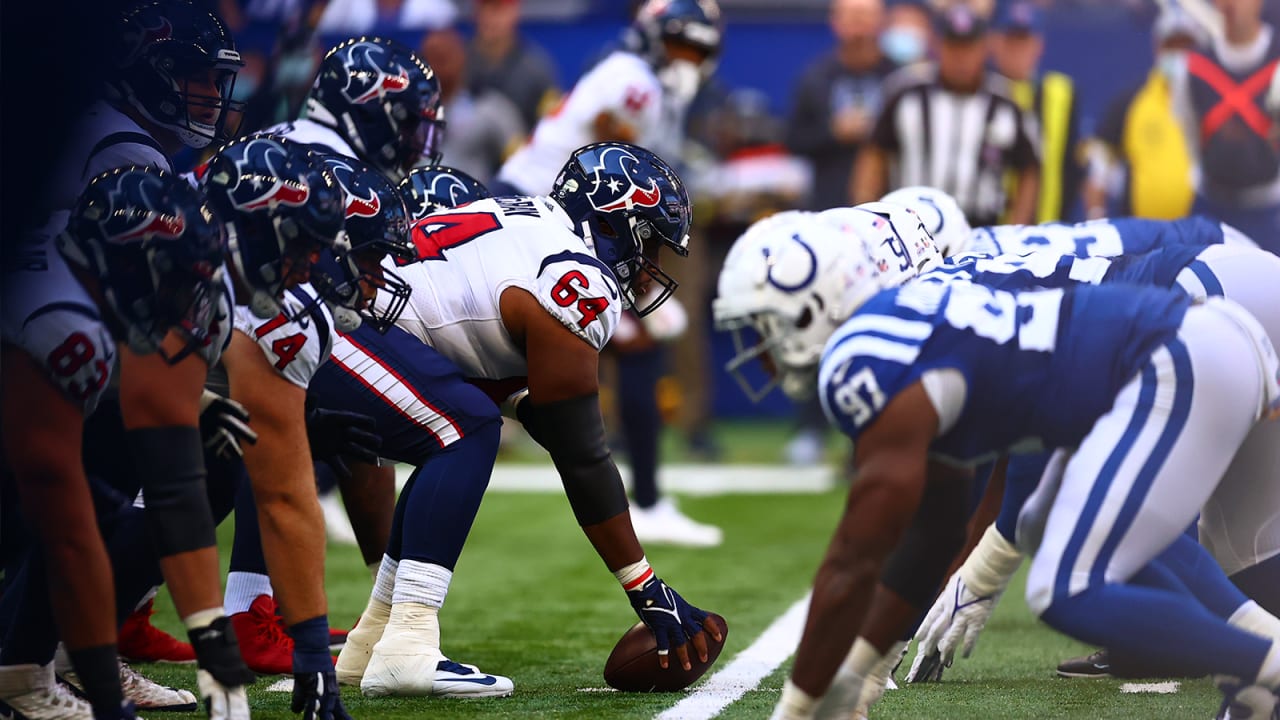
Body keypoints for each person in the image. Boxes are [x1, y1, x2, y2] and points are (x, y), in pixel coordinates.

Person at [712, 211, 1280, 719]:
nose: (758, 351)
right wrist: (860, 672)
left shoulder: (867, 356)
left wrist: (796, 707)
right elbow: (934, 535)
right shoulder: (919, 322)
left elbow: (855, 556)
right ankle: (1257, 673)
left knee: (1068, 590)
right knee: (1042, 523)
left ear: (817, 305)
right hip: (1205, 332)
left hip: (1185, 345)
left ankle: (1264, 663)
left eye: (764, 326)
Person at [335, 142, 726, 696]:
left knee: (463, 420)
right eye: (651, 247)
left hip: (343, 322)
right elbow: (583, 455)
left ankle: (374, 639)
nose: (650, 272)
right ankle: (408, 644)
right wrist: (646, 588)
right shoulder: (578, 279)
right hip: (342, 334)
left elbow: (491, 373)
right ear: (616, 226)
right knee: (467, 430)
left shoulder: (524, 220)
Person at [221, 36, 446, 674]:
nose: (412, 139)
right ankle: (245, 611)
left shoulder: (298, 142)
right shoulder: (333, 169)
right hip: (209, 324)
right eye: (406, 122)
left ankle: (245, 610)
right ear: (368, 112)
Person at [1, 167, 248, 720]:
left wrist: (210, 637)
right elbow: (65, 522)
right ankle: (21, 667)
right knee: (83, 513)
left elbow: (176, 481)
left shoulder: (74, 264)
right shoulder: (60, 322)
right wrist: (110, 706)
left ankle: (26, 666)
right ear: (130, 263)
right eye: (175, 281)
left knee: (108, 497)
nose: (185, 301)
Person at [493, 0, 725, 546]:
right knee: (639, 338)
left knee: (640, 340)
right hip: (535, 218)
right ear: (653, 38)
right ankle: (646, 500)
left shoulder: (644, 82)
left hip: (554, 221)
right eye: (679, 45)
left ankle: (646, 497)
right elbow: (611, 172)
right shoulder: (634, 81)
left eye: (698, 50)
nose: (687, 60)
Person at [199, 134, 360, 720]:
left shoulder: (276, 306)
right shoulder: (158, 260)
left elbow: (286, 495)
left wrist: (314, 656)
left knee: (214, 467)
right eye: (298, 245)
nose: (308, 265)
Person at [852, 4, 1040, 226]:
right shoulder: (905, 93)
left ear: (983, 48)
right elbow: (873, 156)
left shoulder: (1007, 103)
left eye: (968, 48)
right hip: (911, 227)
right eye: (953, 47)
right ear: (938, 46)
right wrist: (868, 219)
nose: (961, 58)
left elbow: (1029, 170)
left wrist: (1015, 228)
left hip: (982, 229)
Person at [1172, 0, 1280, 251]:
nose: (1231, 4)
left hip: (1269, 212)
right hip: (1211, 210)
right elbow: (1187, 131)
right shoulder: (1192, 68)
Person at [1081, 8, 1207, 221]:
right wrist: (1096, 216)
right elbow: (1099, 164)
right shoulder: (1132, 100)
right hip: (1143, 237)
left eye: (1186, 46)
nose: (1179, 54)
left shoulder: (1211, 100)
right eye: (1171, 46)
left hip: (1201, 235)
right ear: (1157, 47)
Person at [786, 0, 897, 212]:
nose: (858, 27)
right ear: (835, 22)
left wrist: (878, 132)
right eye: (852, 17)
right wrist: (833, 132)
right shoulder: (816, 77)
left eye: (864, 16)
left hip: (890, 206)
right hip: (830, 205)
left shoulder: (898, 78)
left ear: (882, 20)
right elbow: (793, 139)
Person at [990, 1, 1083, 223]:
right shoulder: (983, 93)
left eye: (1024, 41)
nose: (1017, 50)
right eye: (1010, 41)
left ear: (1038, 45)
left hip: (1048, 232)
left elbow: (1072, 166)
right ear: (994, 43)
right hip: (990, 233)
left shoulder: (1061, 93)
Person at [420, 27, 525, 184]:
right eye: (433, 57)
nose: (440, 64)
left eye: (446, 56)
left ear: (462, 57)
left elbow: (521, 163)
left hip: (474, 201)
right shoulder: (406, 113)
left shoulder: (491, 109)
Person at [466, 0, 560, 132]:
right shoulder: (457, 63)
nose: (489, 17)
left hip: (520, 149)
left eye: (497, 10)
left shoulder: (535, 69)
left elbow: (552, 126)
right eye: (484, 9)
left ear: (514, 12)